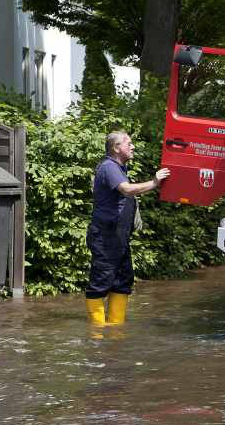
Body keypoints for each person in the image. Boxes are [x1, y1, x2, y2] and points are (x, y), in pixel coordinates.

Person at [85, 131, 170, 326]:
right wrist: (155, 182)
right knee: (101, 282)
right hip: (105, 237)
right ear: (116, 148)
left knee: (123, 281)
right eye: (129, 143)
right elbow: (127, 189)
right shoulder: (109, 167)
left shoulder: (120, 168)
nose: (133, 147)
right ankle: (97, 333)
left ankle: (115, 331)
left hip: (119, 238)